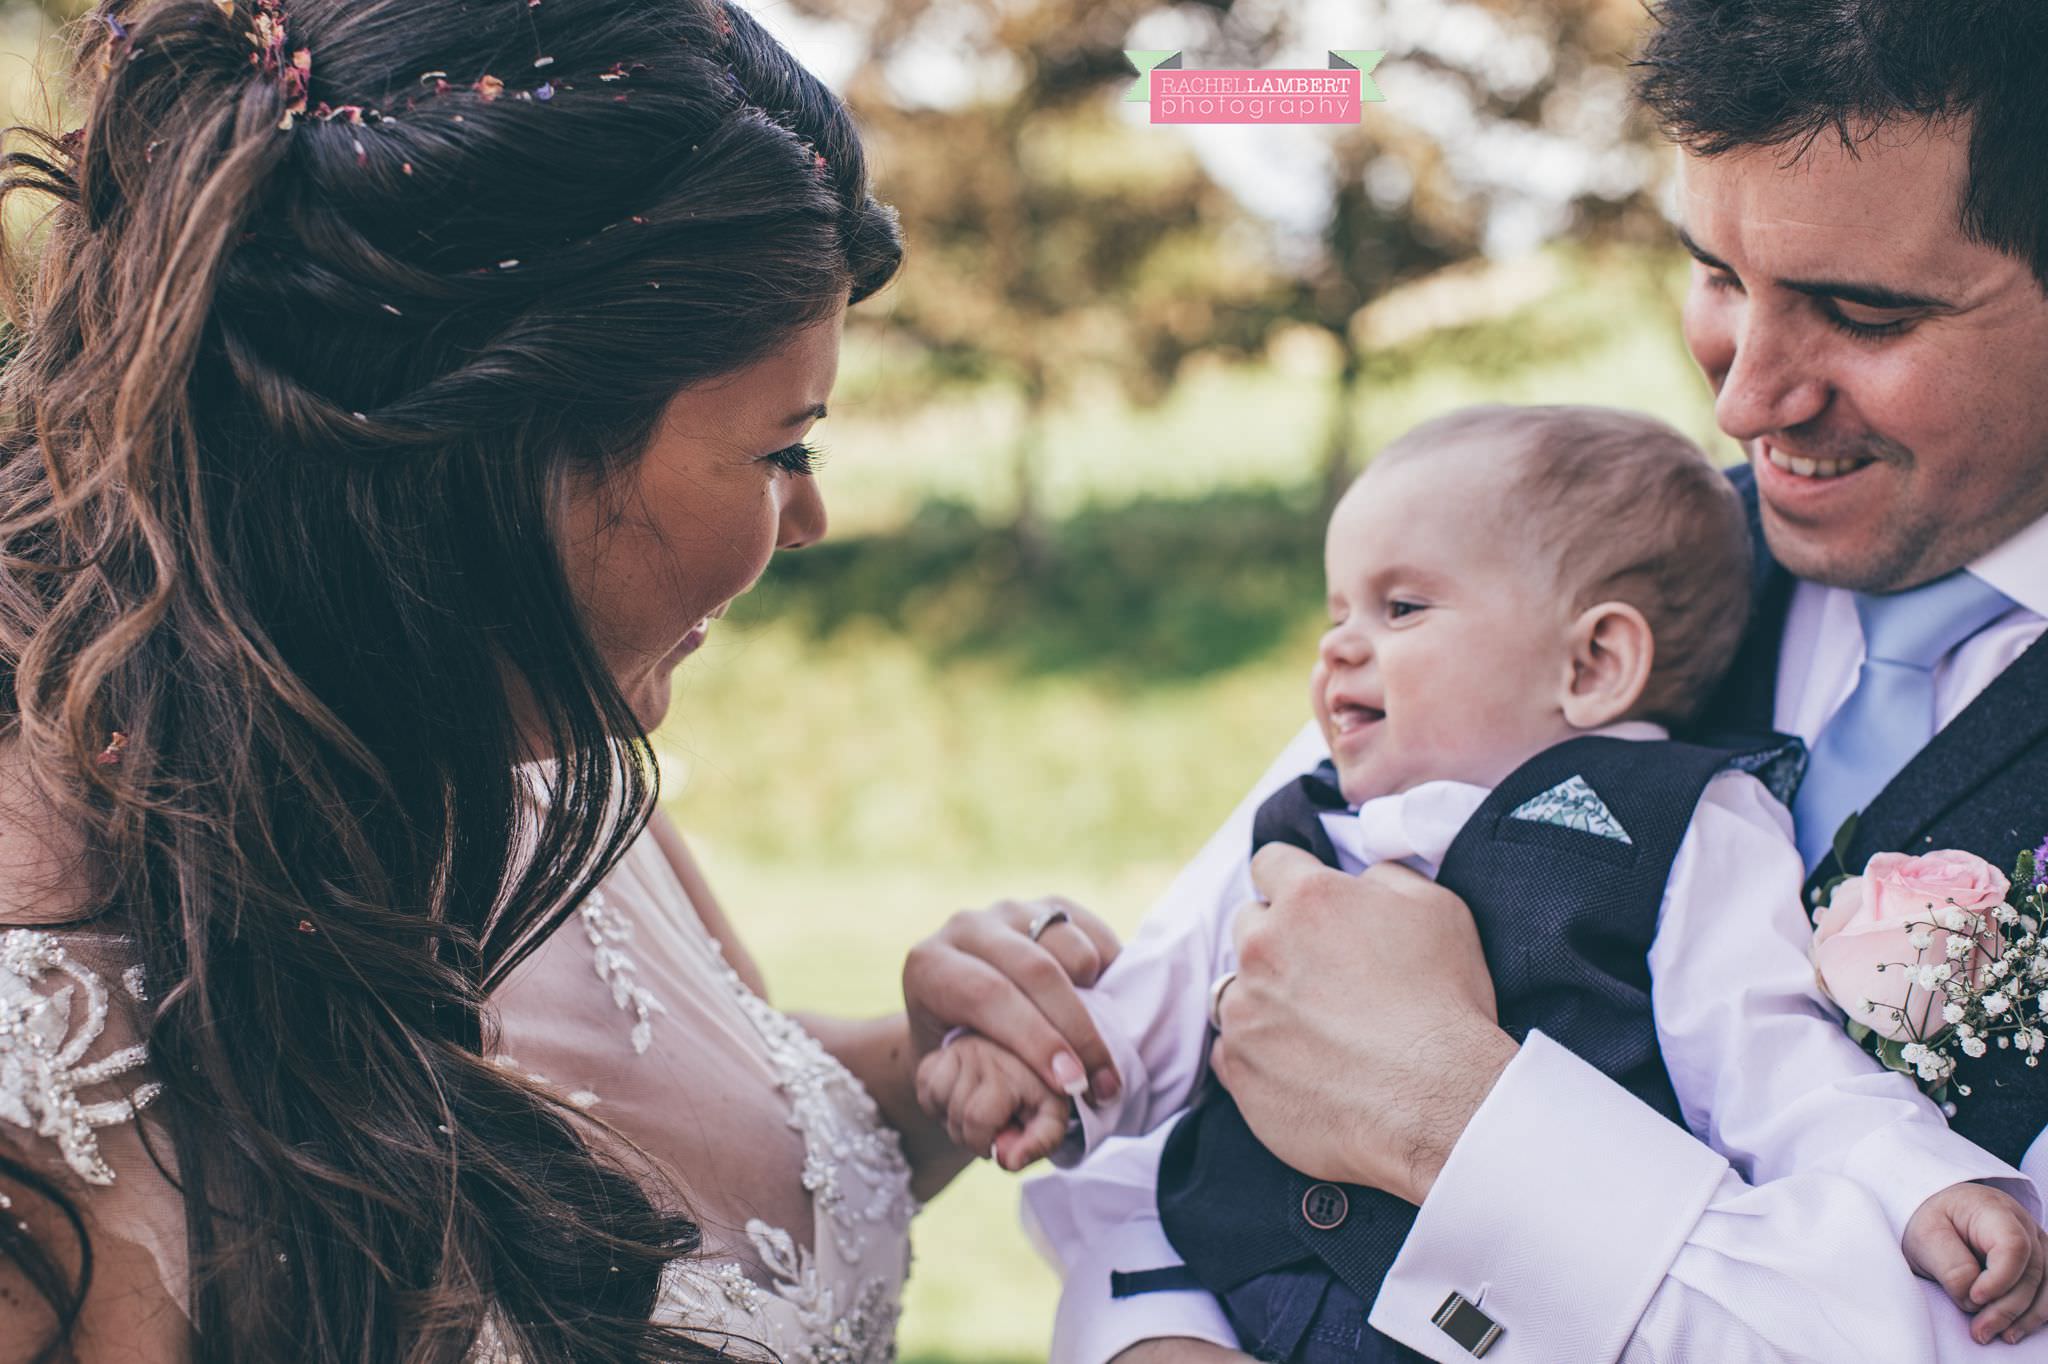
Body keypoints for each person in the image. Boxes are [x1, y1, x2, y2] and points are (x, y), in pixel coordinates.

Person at [0, 2, 1122, 1359]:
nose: (809, 521)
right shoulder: (51, 1047)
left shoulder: (544, 752)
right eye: (784, 448)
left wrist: (922, 1071)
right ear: (504, 449)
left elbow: (699, 1174)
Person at [1027, 0, 2048, 1358]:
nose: (1743, 400)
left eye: (1861, 312)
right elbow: (1186, 1091)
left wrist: (1457, 1119)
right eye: (1719, 277)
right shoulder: (1566, 582)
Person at [924, 404, 2045, 1358]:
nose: (1337, 650)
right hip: (1241, 1301)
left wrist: (1913, 1179)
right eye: (1336, 611)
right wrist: (1050, 1070)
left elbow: (1770, 1053)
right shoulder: (1315, 810)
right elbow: (1162, 1008)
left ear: (1591, 662)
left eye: (1400, 608)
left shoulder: (1681, 824)